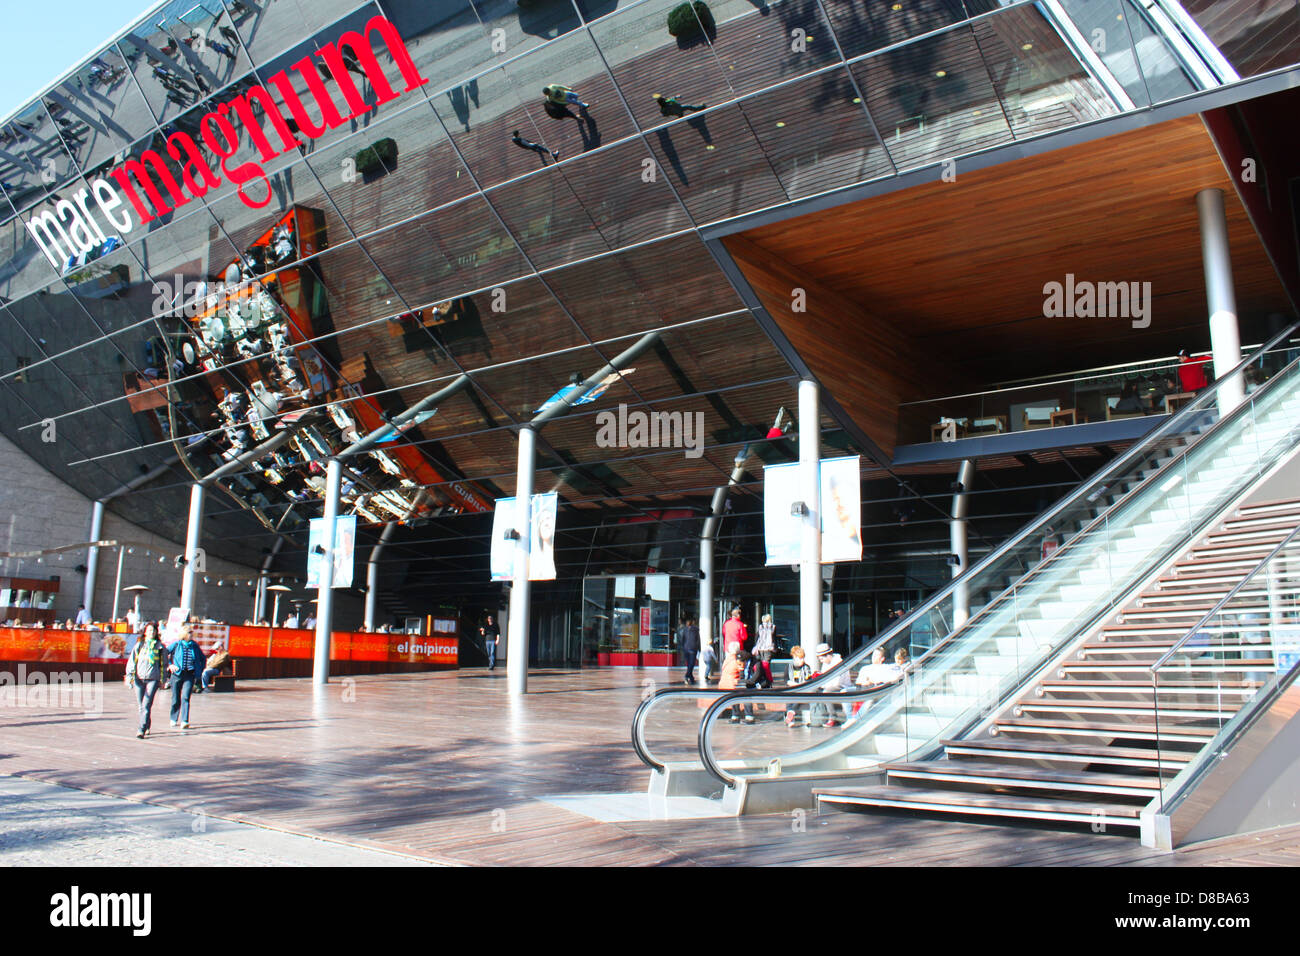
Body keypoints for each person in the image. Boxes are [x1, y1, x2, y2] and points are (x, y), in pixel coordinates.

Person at [125, 623, 166, 739]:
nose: (151, 632)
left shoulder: (160, 647)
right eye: (149, 630)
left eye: (153, 630)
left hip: (153, 678)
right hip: (139, 678)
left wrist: (163, 679)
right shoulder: (140, 645)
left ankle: (141, 729)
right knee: (141, 705)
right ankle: (147, 724)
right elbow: (132, 661)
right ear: (145, 632)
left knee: (146, 704)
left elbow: (164, 664)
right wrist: (130, 676)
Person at [168, 625, 206, 729]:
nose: (191, 634)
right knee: (175, 697)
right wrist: (170, 664)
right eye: (189, 632)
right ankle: (173, 718)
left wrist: (199, 669)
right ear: (184, 634)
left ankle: (184, 720)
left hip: (189, 674)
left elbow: (203, 658)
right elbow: (164, 653)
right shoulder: (177, 644)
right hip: (177, 675)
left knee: (185, 697)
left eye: (192, 632)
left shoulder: (194, 645)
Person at [784, 645, 813, 727]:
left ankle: (791, 712)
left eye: (803, 658)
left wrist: (800, 685)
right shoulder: (789, 667)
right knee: (790, 696)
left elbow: (808, 680)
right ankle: (791, 718)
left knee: (799, 695)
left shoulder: (806, 667)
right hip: (792, 687)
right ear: (794, 657)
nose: (802, 660)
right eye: (800, 658)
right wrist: (794, 685)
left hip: (803, 688)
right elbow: (786, 680)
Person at [718, 644, 743, 722]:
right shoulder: (737, 660)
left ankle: (730, 713)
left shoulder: (727, 659)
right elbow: (741, 670)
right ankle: (735, 715)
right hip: (731, 683)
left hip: (723, 683)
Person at [753, 613, 776, 685]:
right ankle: (768, 680)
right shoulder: (773, 626)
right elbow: (774, 638)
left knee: (760, 664)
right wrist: (775, 648)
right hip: (769, 648)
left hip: (760, 648)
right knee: (766, 664)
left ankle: (761, 679)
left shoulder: (760, 626)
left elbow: (757, 637)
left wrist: (756, 646)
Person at [678, 616, 700, 684]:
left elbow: (698, 640)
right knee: (690, 664)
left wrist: (698, 648)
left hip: (690, 648)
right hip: (689, 648)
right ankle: (690, 677)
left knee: (691, 664)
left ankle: (687, 675)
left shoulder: (693, 630)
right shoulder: (688, 630)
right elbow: (683, 639)